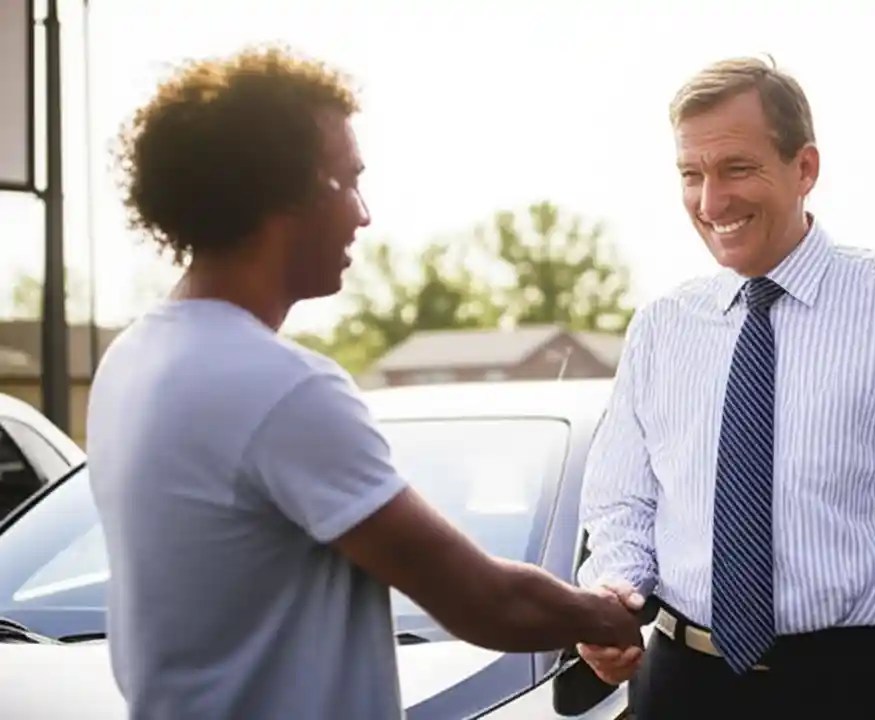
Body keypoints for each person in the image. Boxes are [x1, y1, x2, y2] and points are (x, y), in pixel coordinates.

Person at [85, 46, 640, 720]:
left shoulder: (135, 358)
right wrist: (609, 616)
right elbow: (485, 600)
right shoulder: (278, 387)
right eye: (347, 182)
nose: (363, 213)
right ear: (280, 193)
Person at [574, 56, 875, 719]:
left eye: (737, 169)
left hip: (849, 692)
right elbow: (620, 507)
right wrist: (614, 593)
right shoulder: (661, 328)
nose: (711, 203)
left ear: (805, 169)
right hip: (676, 689)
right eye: (692, 175)